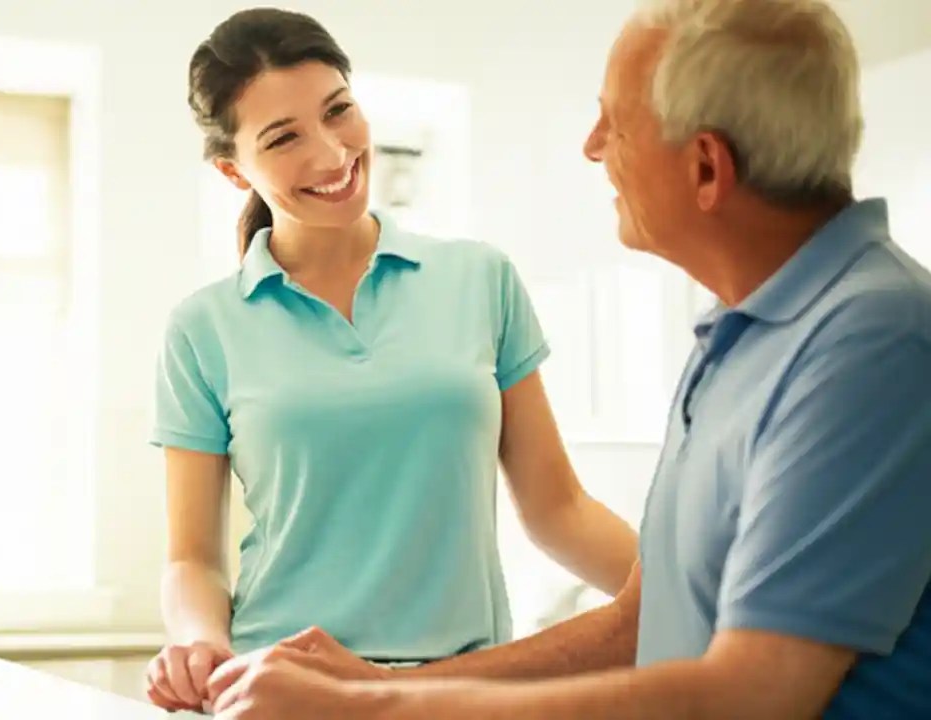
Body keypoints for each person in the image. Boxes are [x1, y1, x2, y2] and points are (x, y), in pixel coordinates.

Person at [203, 0, 931, 718]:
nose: (592, 145)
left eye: (615, 122)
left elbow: (752, 694)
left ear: (707, 167)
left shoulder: (874, 340)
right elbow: (638, 622)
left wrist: (374, 708)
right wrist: (361, 687)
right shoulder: (741, 337)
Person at [144, 7, 640, 713]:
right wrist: (201, 644)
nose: (330, 154)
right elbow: (192, 557)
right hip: (285, 693)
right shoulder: (203, 328)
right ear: (233, 170)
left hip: (459, 691)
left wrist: (695, 592)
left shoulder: (480, 279)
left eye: (338, 111)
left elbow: (558, 508)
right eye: (283, 138)